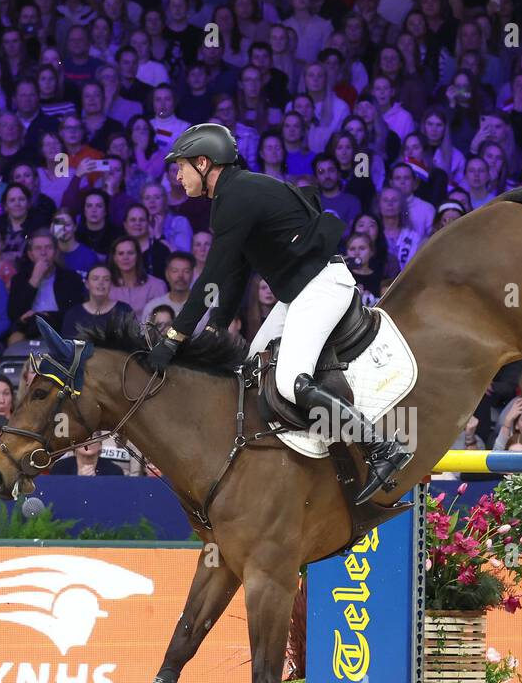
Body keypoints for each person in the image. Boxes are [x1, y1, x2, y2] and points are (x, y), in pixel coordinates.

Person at [147, 122, 409, 502]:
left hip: (321, 287)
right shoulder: (235, 193)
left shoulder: (236, 196)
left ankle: (381, 447)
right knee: (254, 370)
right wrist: (217, 328)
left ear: (203, 163)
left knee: (290, 382)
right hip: (300, 293)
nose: (177, 175)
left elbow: (212, 277)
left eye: (181, 166)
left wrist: (174, 339)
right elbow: (234, 273)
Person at [62, 264, 133, 340]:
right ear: (87, 284)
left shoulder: (124, 311)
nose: (101, 283)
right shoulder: (73, 314)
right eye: (95, 279)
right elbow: (68, 348)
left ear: (111, 284)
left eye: (106, 279)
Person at [50, 438, 127, 475]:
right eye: (84, 439)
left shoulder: (114, 470)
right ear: (75, 446)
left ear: (100, 445)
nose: (88, 443)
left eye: (92, 439)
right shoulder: (60, 467)